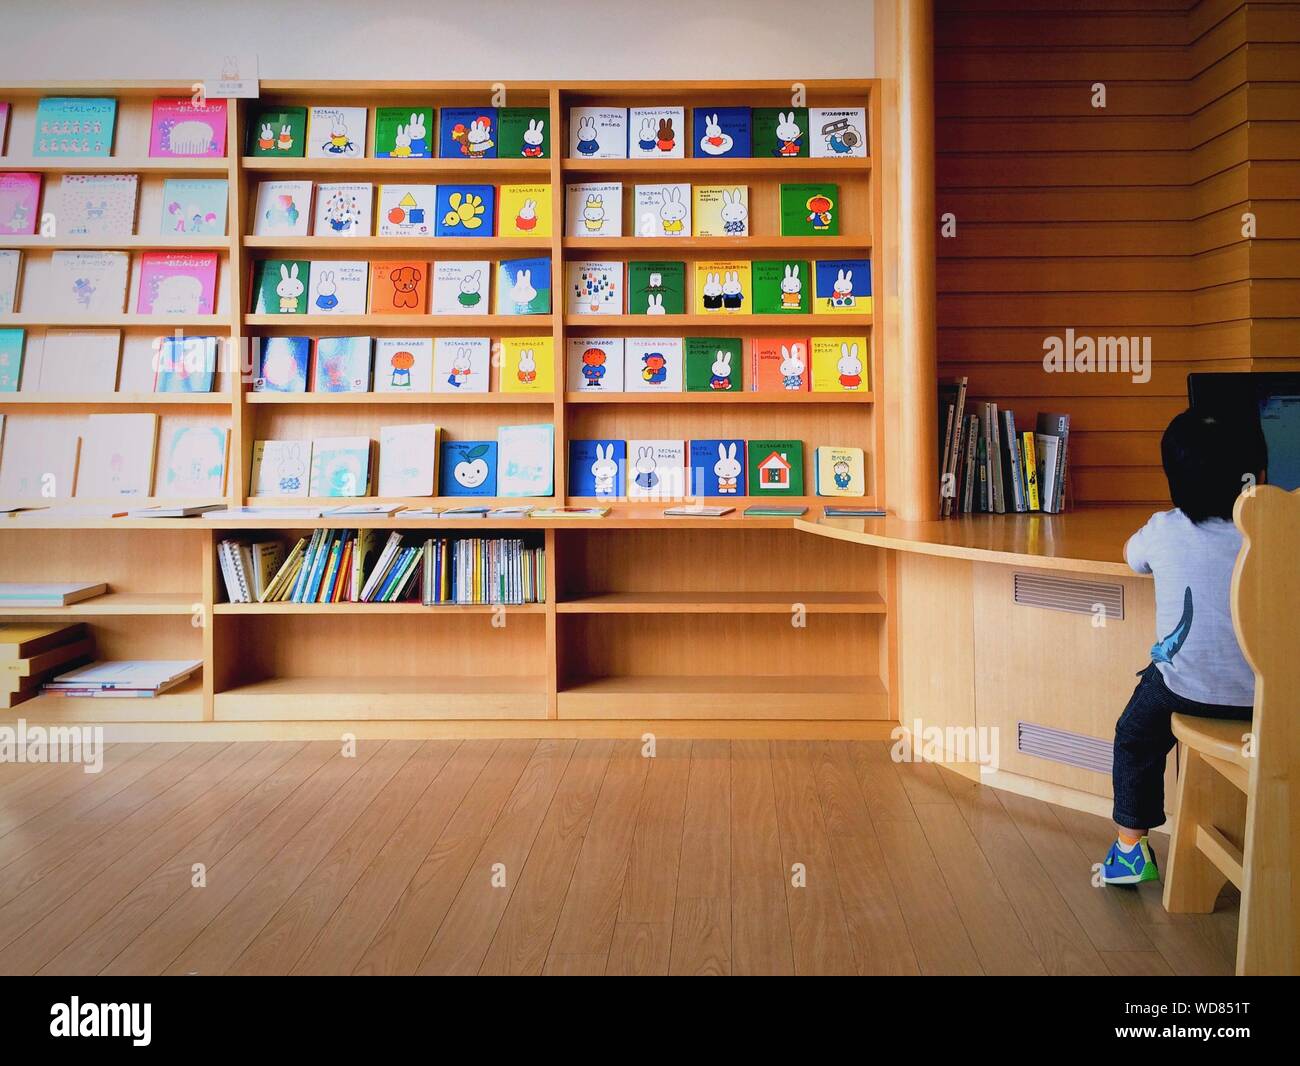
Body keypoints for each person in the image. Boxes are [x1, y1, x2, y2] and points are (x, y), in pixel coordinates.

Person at [1100, 408, 1267, 885]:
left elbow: (1133, 559)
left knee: (1135, 737)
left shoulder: (1163, 528)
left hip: (1185, 688)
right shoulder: (1277, 534)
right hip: (1271, 699)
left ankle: (1131, 849)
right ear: (1257, 474)